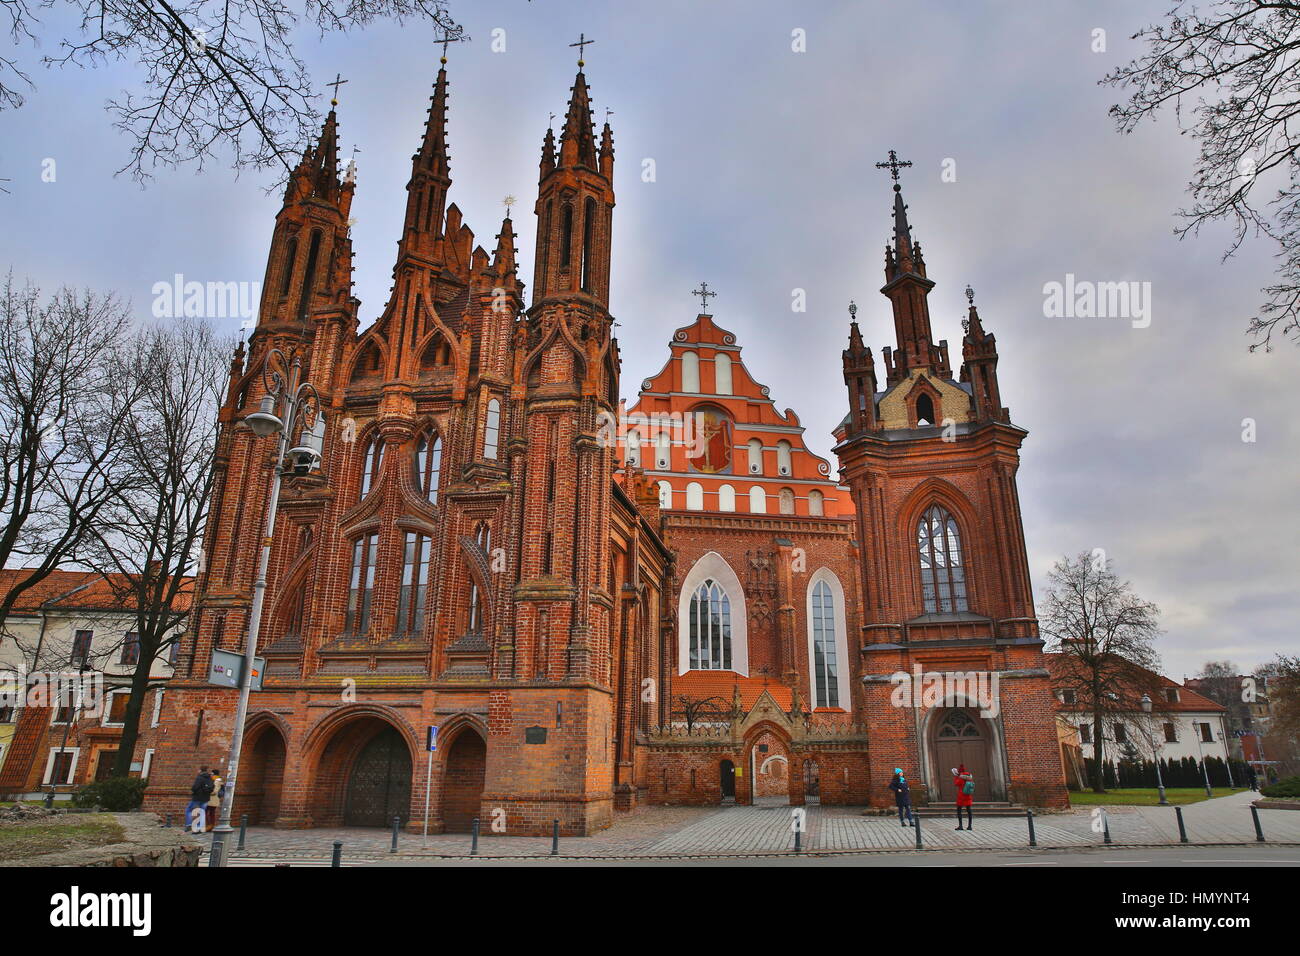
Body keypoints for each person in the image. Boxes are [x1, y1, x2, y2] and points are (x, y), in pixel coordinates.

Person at [185, 766, 212, 833]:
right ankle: (200, 828)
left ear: (200, 770)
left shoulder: (200, 777)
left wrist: (193, 791)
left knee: (189, 810)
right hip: (206, 798)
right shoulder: (210, 778)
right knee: (202, 812)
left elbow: (195, 787)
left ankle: (189, 825)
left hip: (197, 798)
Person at [952, 764, 974, 830]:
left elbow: (956, 783)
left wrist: (956, 776)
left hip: (961, 796)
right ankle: (969, 826)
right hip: (968, 795)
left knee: (959, 810)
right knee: (969, 810)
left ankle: (960, 826)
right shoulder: (969, 777)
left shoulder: (960, 777)